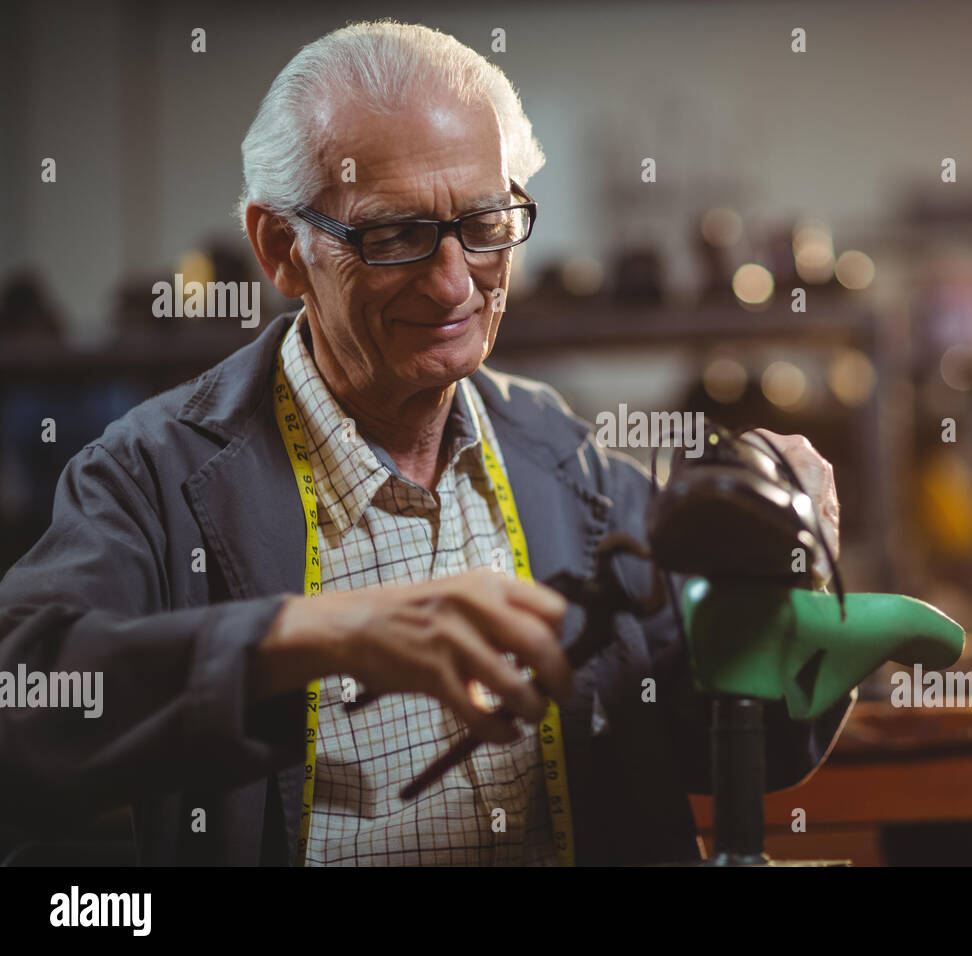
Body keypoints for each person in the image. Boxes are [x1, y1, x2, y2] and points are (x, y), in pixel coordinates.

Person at [0, 20, 852, 866]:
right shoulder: (155, 474)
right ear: (280, 249)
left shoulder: (566, 459)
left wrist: (794, 575)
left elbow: (742, 745)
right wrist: (311, 634)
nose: (452, 284)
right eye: (394, 235)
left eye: (484, 224)